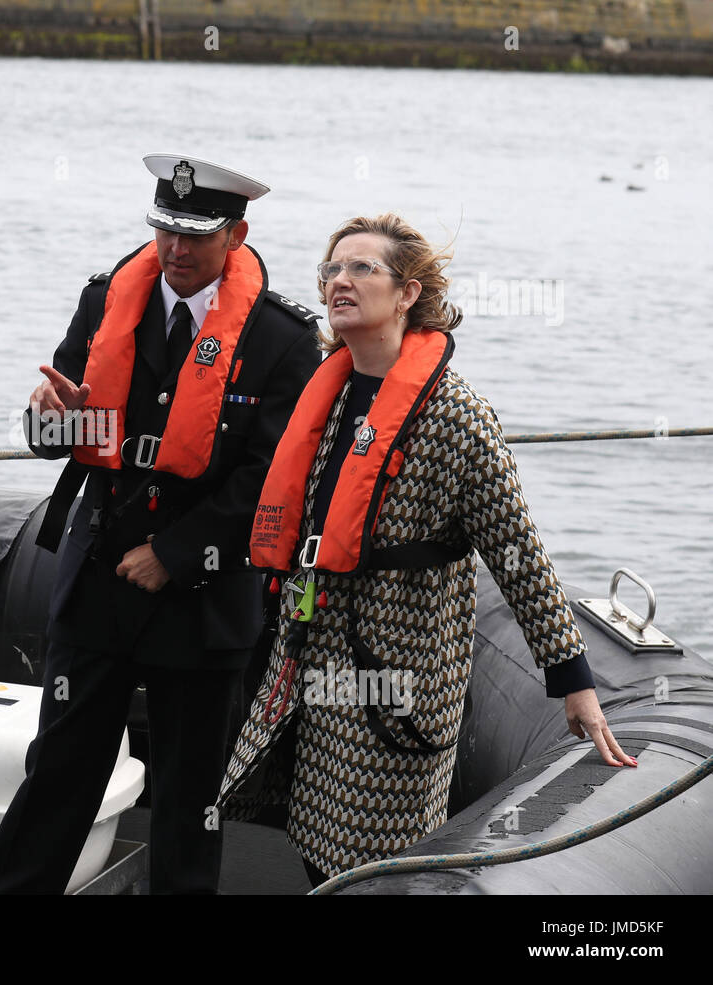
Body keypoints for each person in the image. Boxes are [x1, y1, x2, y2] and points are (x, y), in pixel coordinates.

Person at [216, 212, 636, 889]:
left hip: (398, 685)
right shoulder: (328, 395)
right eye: (331, 269)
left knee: (381, 866)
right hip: (313, 665)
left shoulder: (457, 417)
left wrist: (575, 681)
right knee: (313, 847)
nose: (339, 282)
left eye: (361, 268)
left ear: (408, 293)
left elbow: (519, 555)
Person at [0, 155, 321, 894]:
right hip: (98, 585)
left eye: (196, 235)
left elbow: (271, 476)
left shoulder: (282, 339)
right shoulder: (104, 301)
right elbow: (61, 429)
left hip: (203, 602)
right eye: (165, 229)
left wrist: (175, 552)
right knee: (58, 777)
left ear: (238, 234)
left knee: (190, 805)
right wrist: (48, 423)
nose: (175, 250)